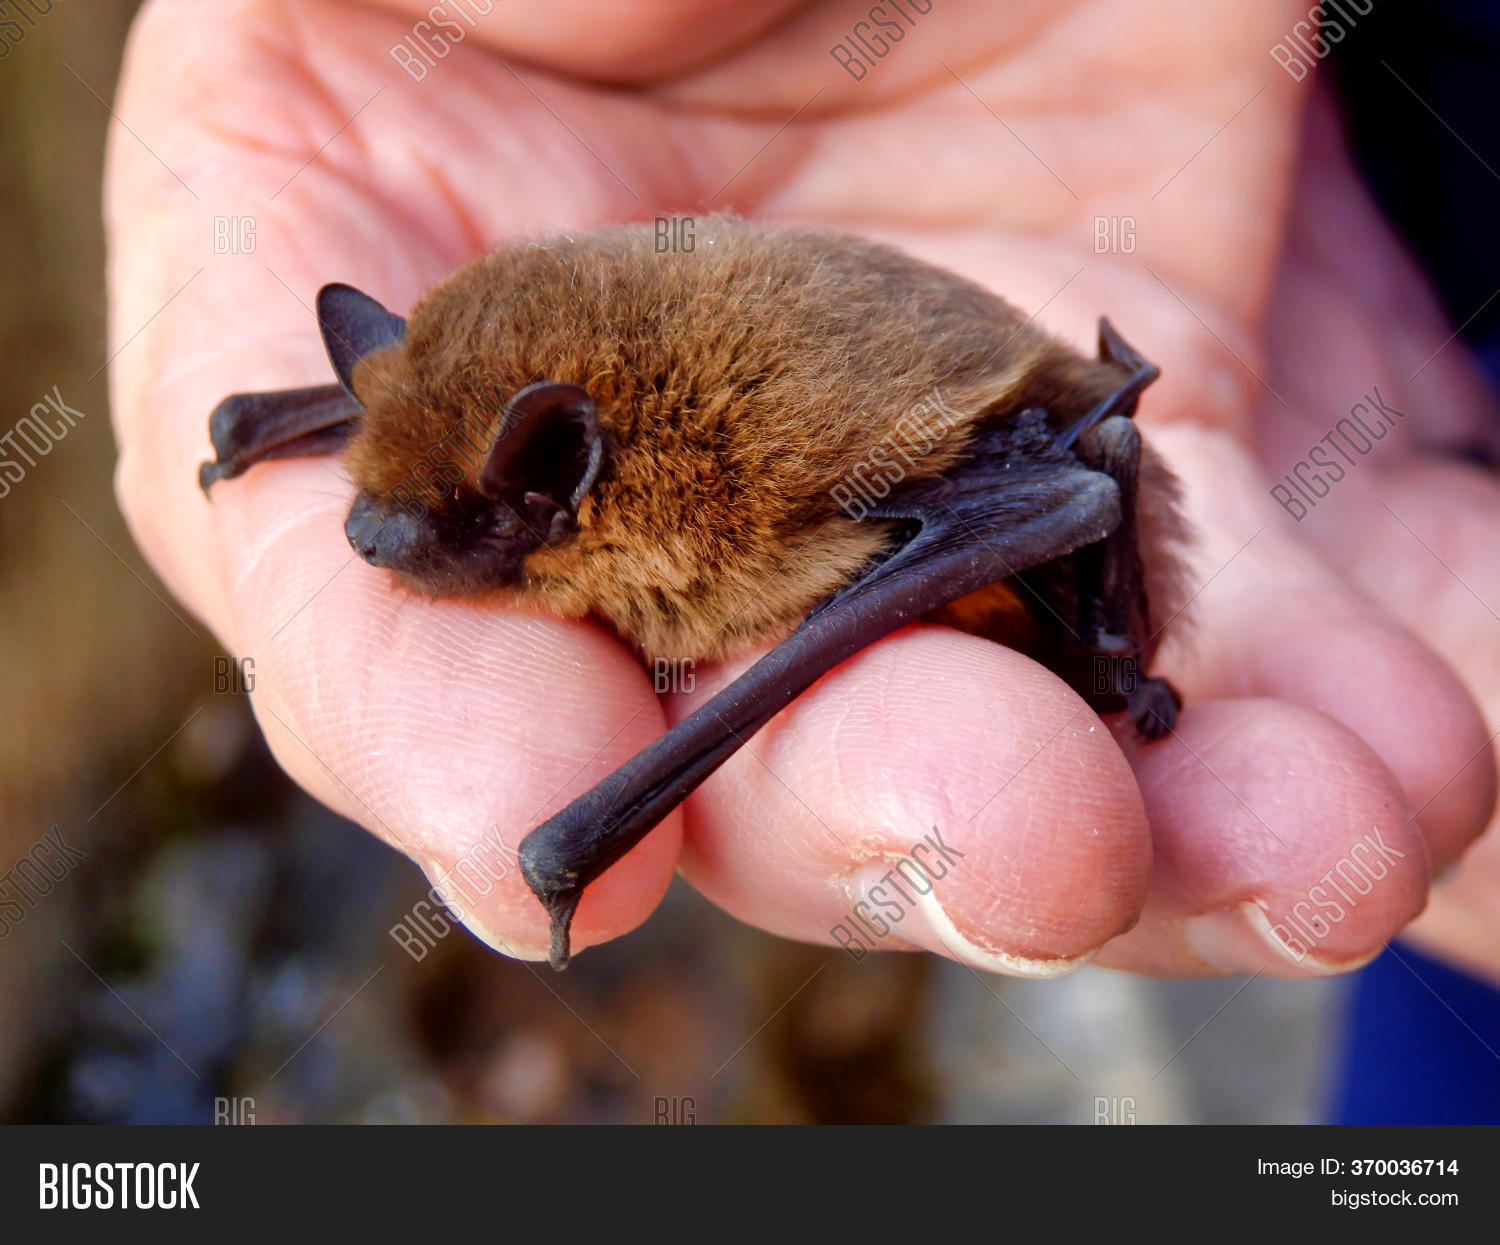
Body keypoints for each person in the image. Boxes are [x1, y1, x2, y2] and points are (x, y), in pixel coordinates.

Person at [108, 1, 1499, 995]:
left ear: (557, 494)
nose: (383, 540)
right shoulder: (515, 396)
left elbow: (1081, 484)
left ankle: (1106, 666)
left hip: (1000, 436)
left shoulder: (719, 511)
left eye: (456, 517)